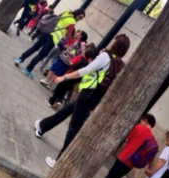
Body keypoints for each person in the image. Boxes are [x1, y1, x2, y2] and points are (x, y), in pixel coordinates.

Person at [35, 34, 130, 168]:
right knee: (65, 111)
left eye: (114, 39)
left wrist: (64, 77)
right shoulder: (119, 64)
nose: (112, 41)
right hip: (94, 97)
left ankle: (60, 162)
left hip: (87, 94)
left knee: (73, 129)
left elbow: (85, 70)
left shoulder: (105, 57)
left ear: (115, 44)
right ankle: (42, 126)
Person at [93, 115, 159, 178]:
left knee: (111, 176)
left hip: (125, 157)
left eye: (141, 121)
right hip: (131, 163)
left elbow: (128, 139)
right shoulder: (151, 139)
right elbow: (151, 156)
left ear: (145, 121)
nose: (140, 123)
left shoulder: (139, 128)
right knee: (116, 177)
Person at [15, 8, 85, 79]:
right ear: (77, 14)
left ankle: (20, 59)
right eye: (80, 17)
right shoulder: (72, 22)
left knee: (35, 47)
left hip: (48, 32)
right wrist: (72, 39)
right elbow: (68, 34)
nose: (79, 19)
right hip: (53, 39)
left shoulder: (66, 13)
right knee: (41, 55)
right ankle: (28, 69)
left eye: (81, 18)